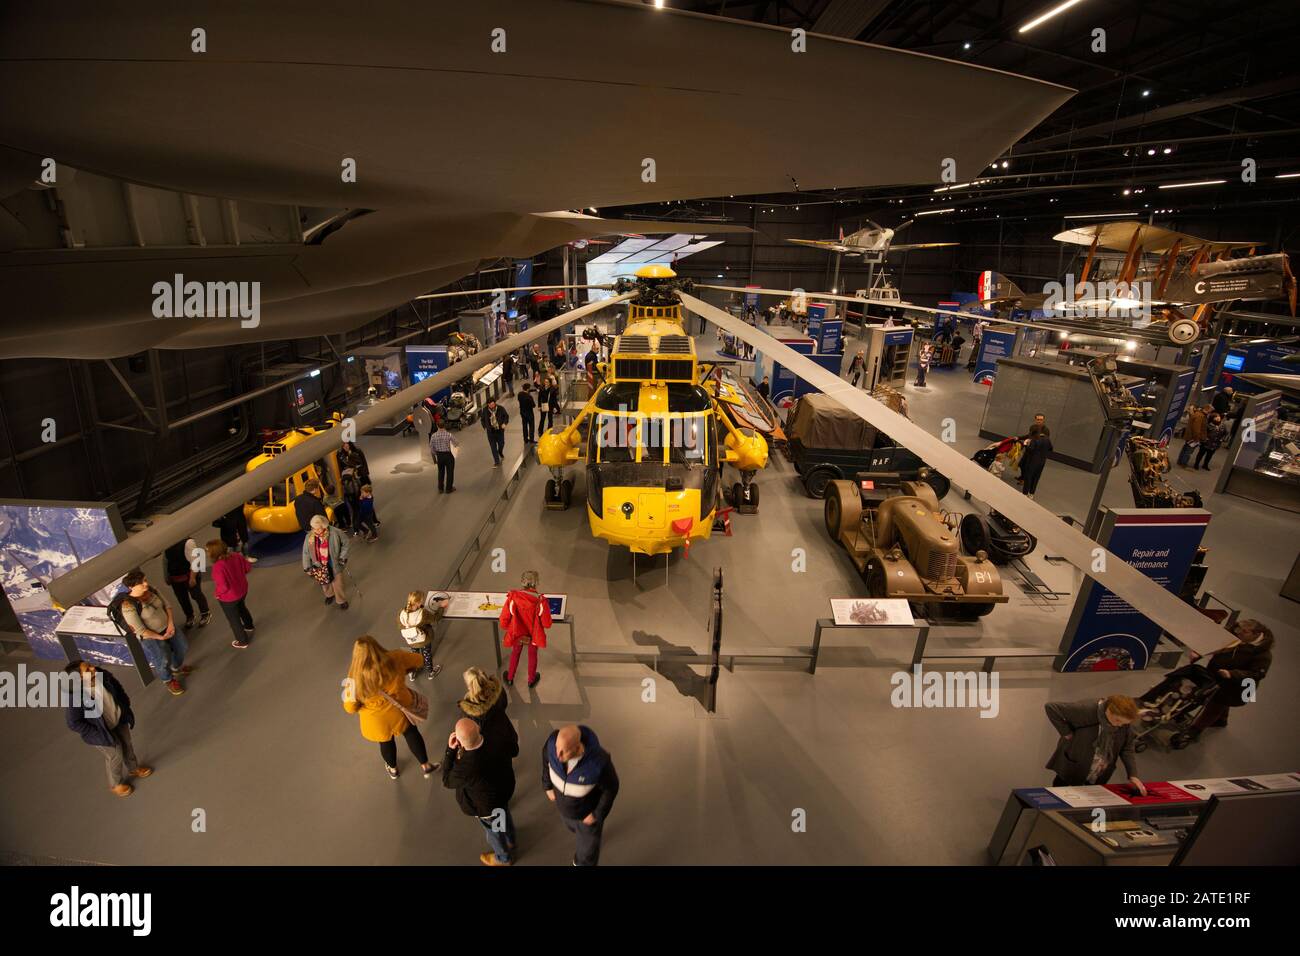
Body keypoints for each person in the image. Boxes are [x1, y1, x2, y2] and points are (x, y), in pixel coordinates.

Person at [343, 636, 438, 780]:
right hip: (400, 710)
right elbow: (419, 660)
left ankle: (393, 770)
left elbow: (349, 708)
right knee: (411, 733)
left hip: (377, 721)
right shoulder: (396, 657)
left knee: (385, 742)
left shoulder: (352, 679)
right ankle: (426, 766)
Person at [64, 660, 151, 797]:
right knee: (116, 755)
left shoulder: (104, 677)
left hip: (118, 720)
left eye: (90, 665)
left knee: (127, 744)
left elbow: (119, 690)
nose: (93, 668)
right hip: (101, 732)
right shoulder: (76, 697)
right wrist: (96, 732)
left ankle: (133, 768)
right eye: (87, 670)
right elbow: (74, 723)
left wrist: (124, 706)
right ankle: (116, 784)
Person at [443, 717, 520, 866]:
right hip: (503, 791)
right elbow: (513, 749)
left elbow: (447, 780)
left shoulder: (466, 767)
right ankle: (511, 839)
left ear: (459, 742)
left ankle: (503, 858)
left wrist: (450, 751)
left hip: (488, 806)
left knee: (495, 831)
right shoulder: (496, 739)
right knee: (504, 813)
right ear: (478, 729)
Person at [542, 724, 620, 866]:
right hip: (565, 810)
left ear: (578, 747)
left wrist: (596, 814)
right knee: (574, 830)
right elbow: (546, 758)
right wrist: (547, 785)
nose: (558, 755)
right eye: (557, 748)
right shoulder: (553, 743)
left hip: (586, 819)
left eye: (563, 752)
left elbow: (611, 788)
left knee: (586, 855)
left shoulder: (599, 763)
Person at [1044, 695, 1145, 793]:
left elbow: (1126, 748)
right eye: (1117, 720)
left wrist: (1133, 775)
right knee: (1060, 795)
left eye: (1124, 723)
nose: (1119, 725)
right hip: (1073, 765)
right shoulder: (1086, 709)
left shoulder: (1123, 723)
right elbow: (1051, 707)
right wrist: (1066, 732)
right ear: (1108, 710)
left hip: (1098, 772)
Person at [1186, 619, 1274, 732]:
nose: (1239, 633)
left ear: (1256, 634)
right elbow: (1216, 644)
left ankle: (1195, 730)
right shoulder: (1234, 635)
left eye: (1244, 631)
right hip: (1218, 676)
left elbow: (1257, 674)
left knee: (1215, 706)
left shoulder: (1263, 654)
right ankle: (1221, 720)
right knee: (1220, 701)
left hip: (1237, 686)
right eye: (1238, 629)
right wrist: (1199, 652)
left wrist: (1232, 674)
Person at [119, 569, 191, 695]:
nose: (145, 584)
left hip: (168, 627)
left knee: (183, 646)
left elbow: (167, 605)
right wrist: (161, 637)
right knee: (163, 659)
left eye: (145, 580)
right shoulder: (128, 606)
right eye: (141, 583)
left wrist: (170, 624)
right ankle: (168, 679)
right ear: (131, 587)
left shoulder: (152, 590)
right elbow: (140, 630)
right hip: (151, 637)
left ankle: (175, 668)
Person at [499, 570, 552, 689]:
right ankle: (531, 680)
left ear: (522, 582)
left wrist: (508, 627)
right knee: (532, 655)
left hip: (518, 633)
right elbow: (547, 623)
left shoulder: (513, 598)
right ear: (536, 583)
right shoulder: (541, 601)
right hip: (534, 634)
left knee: (515, 653)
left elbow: (504, 619)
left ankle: (510, 678)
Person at [208, 539, 255, 649]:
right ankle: (249, 625)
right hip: (242, 590)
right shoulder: (236, 555)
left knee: (234, 619)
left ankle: (242, 641)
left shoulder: (218, 567)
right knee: (242, 607)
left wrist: (217, 594)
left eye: (208, 550)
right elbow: (247, 568)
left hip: (229, 598)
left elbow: (223, 587)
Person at [301, 514, 350, 610]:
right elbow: (306, 553)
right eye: (314, 528)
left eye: (319, 528)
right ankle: (329, 595)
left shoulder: (335, 532)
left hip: (333, 563)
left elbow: (346, 543)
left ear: (324, 525)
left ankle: (341, 600)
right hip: (319, 565)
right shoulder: (309, 537)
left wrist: (343, 556)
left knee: (338, 583)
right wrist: (307, 566)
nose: (316, 531)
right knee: (324, 583)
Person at [163, 537, 210, 630]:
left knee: (196, 595)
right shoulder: (167, 544)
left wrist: (192, 578)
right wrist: (166, 576)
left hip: (189, 575)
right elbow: (165, 561)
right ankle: (189, 616)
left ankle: (205, 613)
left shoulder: (188, 542)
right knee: (182, 599)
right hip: (175, 578)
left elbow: (195, 561)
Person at [456, 666, 515, 740]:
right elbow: (505, 704)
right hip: (503, 729)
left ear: (469, 687)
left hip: (488, 740)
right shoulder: (499, 690)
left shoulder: (468, 711)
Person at [398, 590, 445, 680]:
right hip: (424, 639)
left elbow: (399, 624)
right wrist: (441, 607)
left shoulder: (402, 612)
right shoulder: (423, 614)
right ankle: (431, 672)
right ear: (418, 602)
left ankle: (412, 673)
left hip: (411, 640)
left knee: (414, 655)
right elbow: (435, 619)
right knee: (427, 654)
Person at [1019, 424, 1052, 499]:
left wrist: (1025, 444)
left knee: (1028, 477)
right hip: (1042, 462)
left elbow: (1030, 450)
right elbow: (1050, 449)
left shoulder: (1035, 439)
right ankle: (1031, 493)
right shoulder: (1047, 439)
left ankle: (1025, 493)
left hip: (1032, 461)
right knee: (1036, 477)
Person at [429, 419, 458, 493]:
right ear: (444, 425)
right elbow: (456, 443)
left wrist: (437, 454)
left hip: (439, 456)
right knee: (450, 472)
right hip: (448, 456)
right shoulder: (449, 435)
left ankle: (440, 488)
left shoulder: (433, 436)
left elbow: (431, 448)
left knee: (441, 472)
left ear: (437, 426)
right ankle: (449, 488)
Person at [480, 397, 509, 467]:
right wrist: (485, 427)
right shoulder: (485, 410)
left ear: (495, 403)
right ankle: (496, 461)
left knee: (501, 443)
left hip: (499, 430)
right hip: (490, 432)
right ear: (488, 405)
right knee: (493, 447)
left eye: (493, 404)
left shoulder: (500, 408)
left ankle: (500, 452)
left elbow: (506, 416)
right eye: (490, 405)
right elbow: (482, 419)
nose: (492, 406)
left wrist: (504, 423)